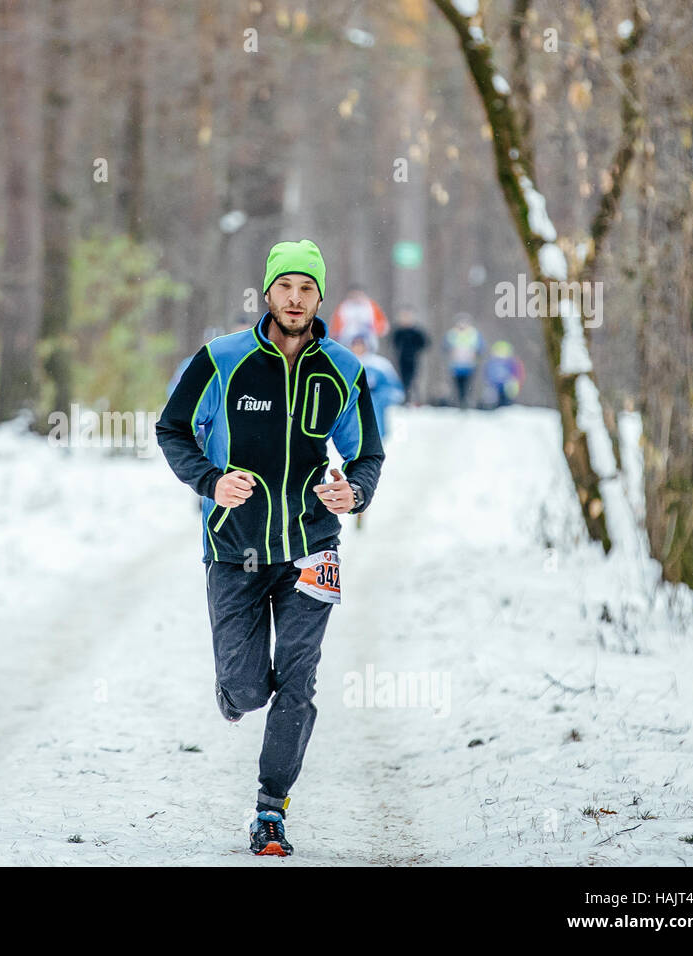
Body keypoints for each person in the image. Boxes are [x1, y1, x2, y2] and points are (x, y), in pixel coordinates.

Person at [157, 239, 385, 857]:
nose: (295, 299)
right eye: (285, 287)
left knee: (300, 678)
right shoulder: (222, 359)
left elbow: (368, 453)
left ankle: (270, 809)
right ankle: (235, 691)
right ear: (268, 292)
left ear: (320, 297)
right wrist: (210, 481)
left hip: (313, 546)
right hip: (233, 547)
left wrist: (354, 493)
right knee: (248, 688)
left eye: (306, 288)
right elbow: (170, 427)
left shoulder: (344, 369)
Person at [349, 334, 405, 439]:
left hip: (376, 406)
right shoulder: (345, 364)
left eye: (361, 344)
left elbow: (396, 391)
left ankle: (376, 438)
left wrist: (375, 394)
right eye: (355, 344)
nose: (358, 347)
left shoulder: (379, 365)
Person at [327, 284, 389, 352]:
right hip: (347, 340)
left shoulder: (370, 306)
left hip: (367, 340)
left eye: (358, 295)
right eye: (354, 295)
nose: (356, 297)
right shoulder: (343, 307)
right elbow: (335, 328)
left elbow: (381, 324)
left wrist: (376, 330)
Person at [389, 305, 430, 405]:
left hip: (413, 358)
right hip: (401, 358)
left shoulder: (416, 331)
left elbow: (425, 343)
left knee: (414, 379)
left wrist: (416, 350)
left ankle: (415, 400)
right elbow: (393, 342)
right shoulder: (399, 331)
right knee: (402, 379)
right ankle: (404, 399)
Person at [443, 314, 484, 408]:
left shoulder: (473, 334)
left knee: (468, 385)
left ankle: (465, 401)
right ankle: (461, 401)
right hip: (456, 364)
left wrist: (475, 353)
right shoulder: (452, 334)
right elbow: (445, 346)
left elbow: (481, 347)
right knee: (458, 385)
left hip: (469, 364)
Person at [483, 340, 525, 407]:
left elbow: (517, 373)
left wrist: (515, 382)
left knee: (507, 400)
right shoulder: (492, 362)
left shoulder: (511, 362)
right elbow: (488, 373)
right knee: (496, 401)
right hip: (496, 386)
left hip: (507, 385)